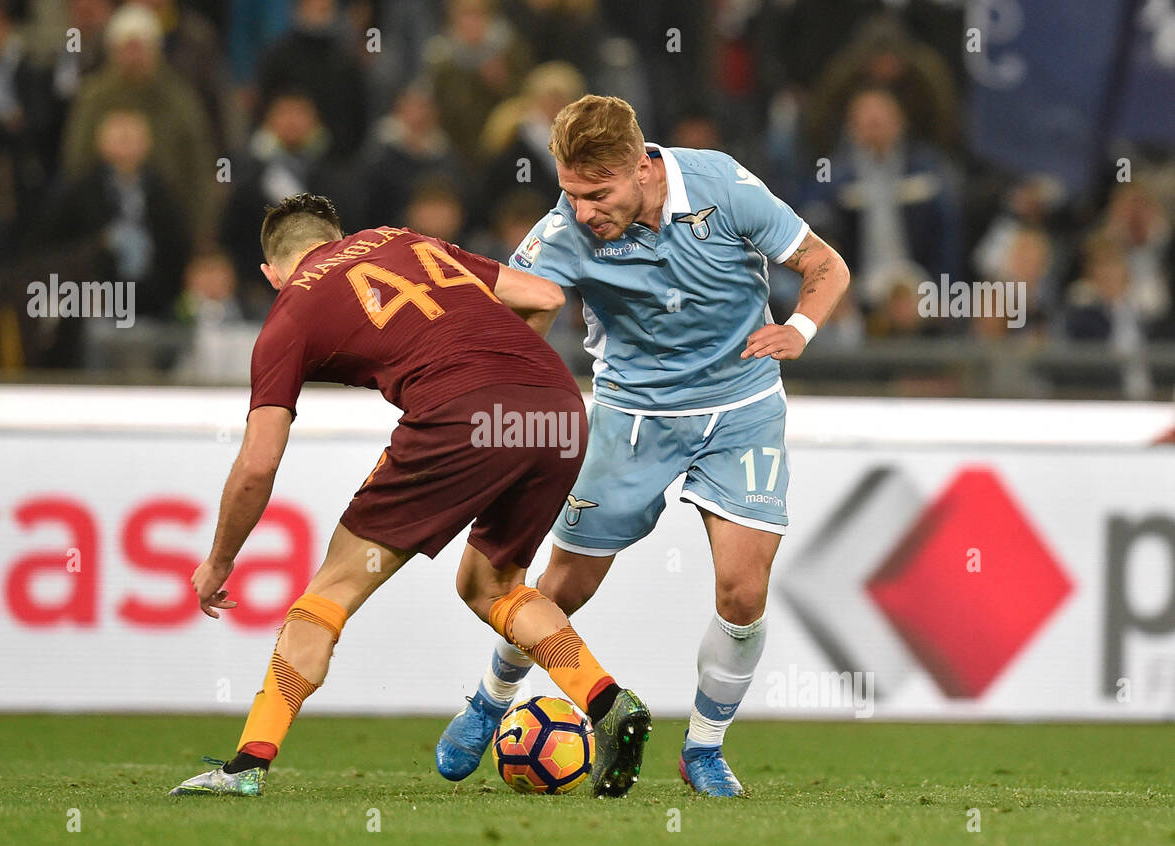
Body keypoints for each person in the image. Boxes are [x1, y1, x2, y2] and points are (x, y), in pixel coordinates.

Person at [170, 193, 652, 798]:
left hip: (461, 414)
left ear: (272, 273)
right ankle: (607, 702)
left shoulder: (290, 311)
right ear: (338, 237)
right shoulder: (403, 241)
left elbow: (257, 463)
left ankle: (247, 764)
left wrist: (219, 560)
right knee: (493, 586)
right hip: (556, 409)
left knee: (331, 591)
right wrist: (506, 387)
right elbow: (546, 296)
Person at [435, 94, 850, 796]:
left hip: (741, 409)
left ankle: (705, 749)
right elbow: (511, 324)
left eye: (597, 195)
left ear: (643, 167)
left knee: (744, 592)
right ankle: (490, 699)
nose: (582, 211)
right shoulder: (563, 230)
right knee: (563, 587)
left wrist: (800, 330)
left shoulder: (722, 185)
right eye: (570, 192)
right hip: (633, 416)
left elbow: (826, 265)